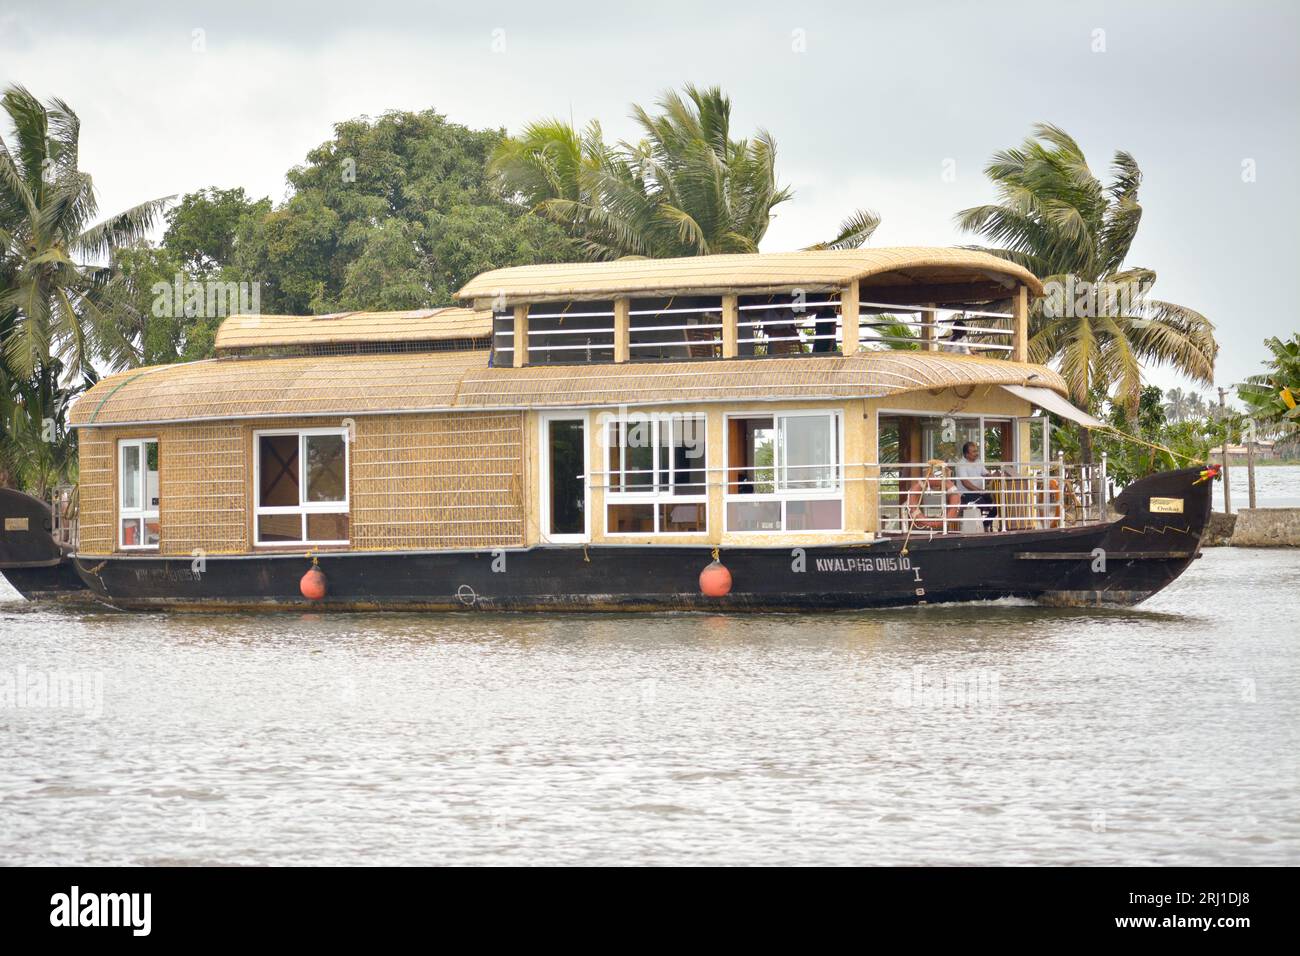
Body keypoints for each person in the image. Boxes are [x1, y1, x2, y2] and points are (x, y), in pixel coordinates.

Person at [904, 460, 961, 532]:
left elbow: (953, 501)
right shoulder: (942, 480)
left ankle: (941, 526)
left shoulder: (946, 481)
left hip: (945, 496)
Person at [954, 441, 998, 531]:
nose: (976, 453)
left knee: (996, 506)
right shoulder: (961, 464)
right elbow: (965, 483)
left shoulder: (978, 461)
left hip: (979, 493)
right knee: (982, 504)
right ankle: (978, 527)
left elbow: (985, 474)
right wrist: (979, 490)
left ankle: (984, 525)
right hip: (966, 494)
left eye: (976, 451)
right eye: (973, 452)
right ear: (966, 454)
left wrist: (993, 476)